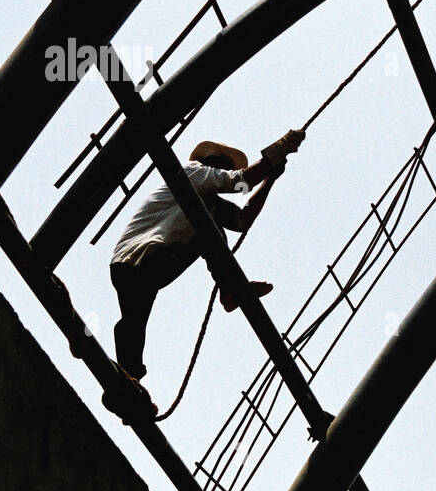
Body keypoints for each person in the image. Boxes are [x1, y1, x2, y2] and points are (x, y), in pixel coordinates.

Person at [109, 130, 304, 380]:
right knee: (209, 231)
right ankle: (230, 289)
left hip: (139, 263)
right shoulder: (192, 171)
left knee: (133, 323)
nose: (221, 174)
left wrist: (270, 178)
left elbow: (242, 220)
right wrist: (280, 151)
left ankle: (129, 379)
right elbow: (240, 182)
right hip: (142, 256)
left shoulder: (207, 202)